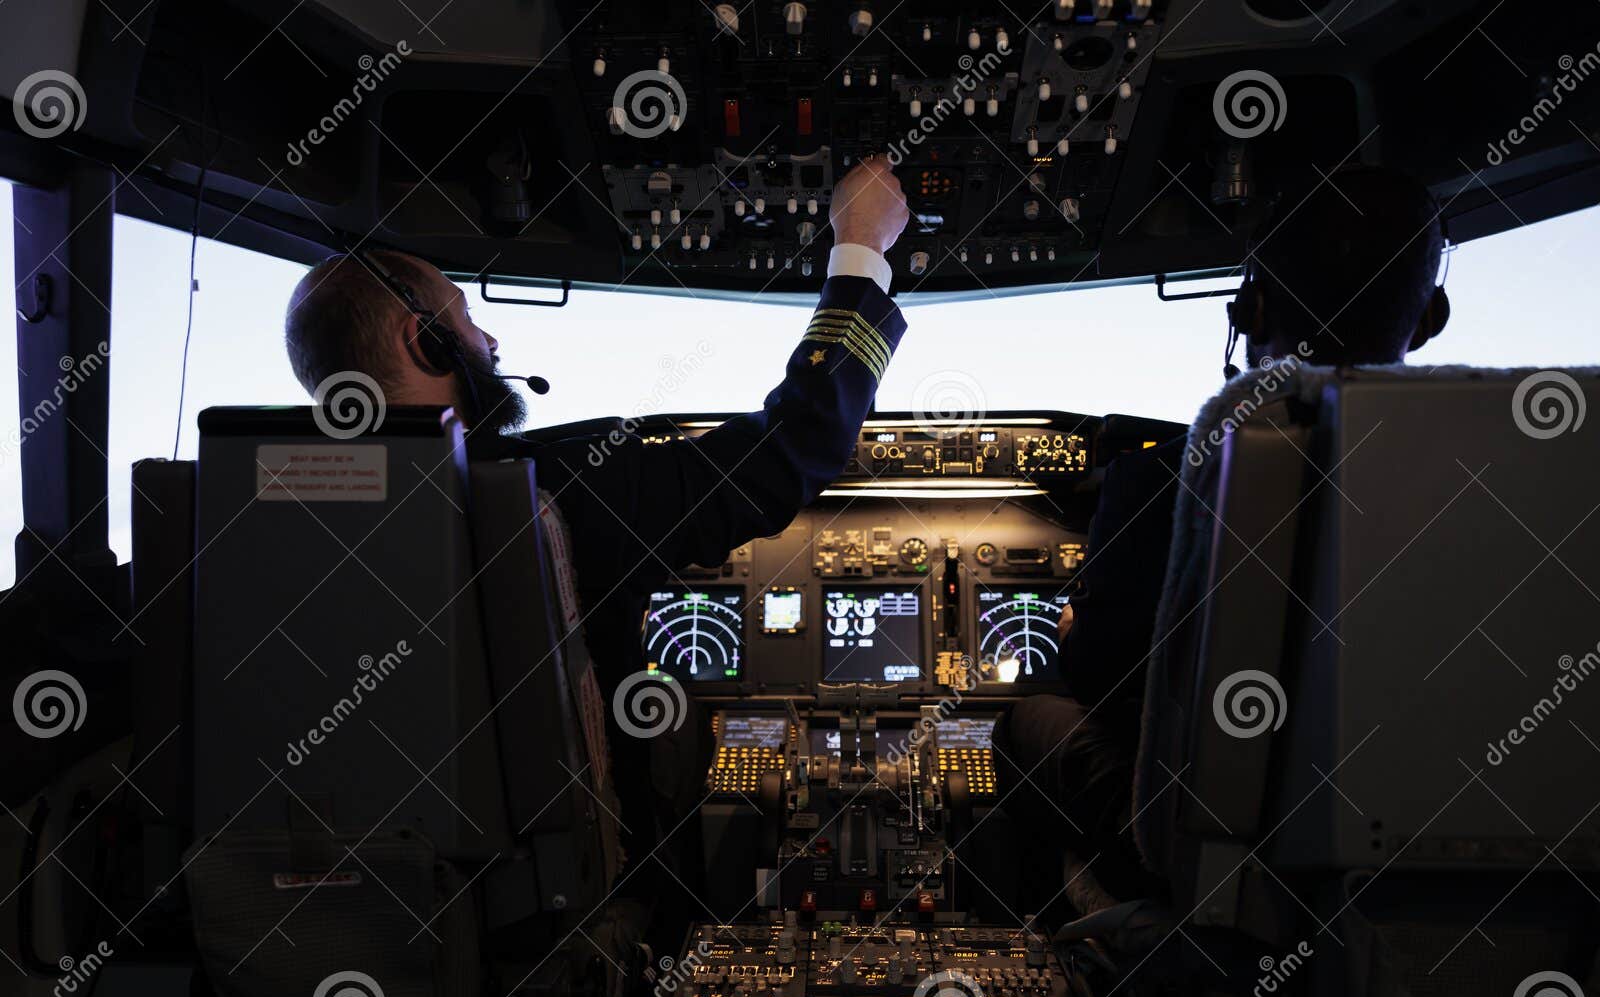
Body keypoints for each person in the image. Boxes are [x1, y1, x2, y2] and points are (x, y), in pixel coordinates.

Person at [282, 156, 910, 884]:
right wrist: (859, 247)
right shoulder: (549, 494)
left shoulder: (260, 539)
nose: (490, 343)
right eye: (467, 318)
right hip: (561, 921)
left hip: (368, 908)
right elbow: (790, 449)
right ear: (424, 341)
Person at [993, 167, 1452, 899]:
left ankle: (1066, 949)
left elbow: (1102, 682)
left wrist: (1078, 627)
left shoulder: (1178, 481)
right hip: (1423, 837)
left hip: (1215, 854)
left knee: (1025, 718)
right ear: (1429, 319)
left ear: (1250, 309)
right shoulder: (1487, 477)